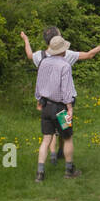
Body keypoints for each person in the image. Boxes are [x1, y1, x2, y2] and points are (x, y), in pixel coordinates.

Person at [28, 30, 100, 182]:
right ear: (62, 50)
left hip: (46, 107)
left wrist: (39, 100)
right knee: (67, 137)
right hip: (60, 108)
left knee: (46, 139)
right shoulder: (65, 65)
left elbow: (38, 85)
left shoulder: (42, 63)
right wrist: (69, 108)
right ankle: (69, 170)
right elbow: (66, 89)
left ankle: (40, 173)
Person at [21, 26, 64, 162]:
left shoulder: (40, 56)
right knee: (65, 130)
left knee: (49, 132)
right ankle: (64, 157)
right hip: (62, 101)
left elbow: (29, 55)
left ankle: (51, 155)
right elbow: (89, 54)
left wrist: (26, 40)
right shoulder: (65, 54)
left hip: (46, 102)